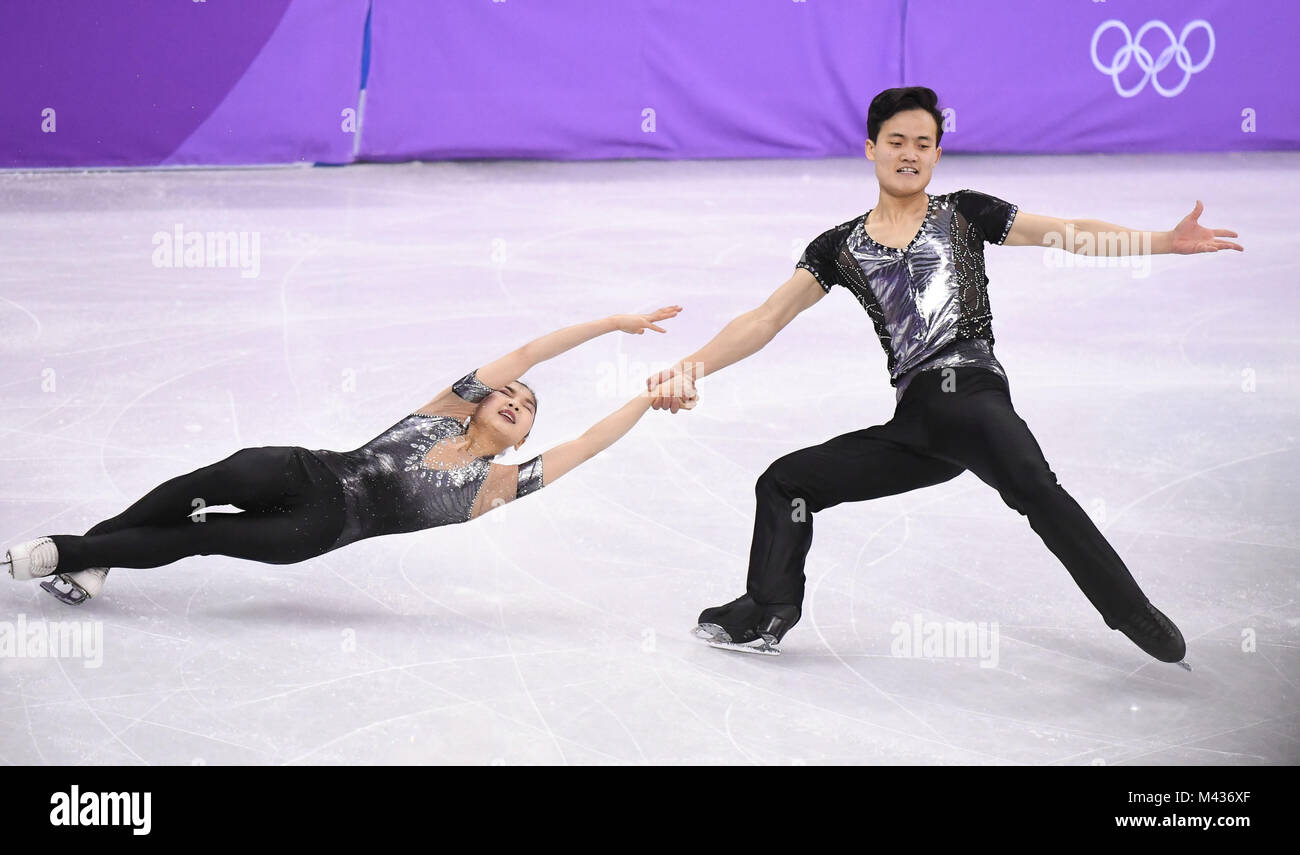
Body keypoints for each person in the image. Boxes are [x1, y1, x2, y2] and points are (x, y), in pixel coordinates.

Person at [647, 86, 1242, 665]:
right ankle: (769, 606)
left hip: (973, 398)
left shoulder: (963, 212)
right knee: (787, 484)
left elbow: (1064, 232)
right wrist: (689, 368)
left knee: (1036, 490)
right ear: (871, 149)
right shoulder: (839, 247)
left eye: (923, 143)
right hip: (920, 429)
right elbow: (766, 317)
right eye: (896, 141)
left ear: (937, 153)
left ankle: (1132, 611)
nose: (909, 153)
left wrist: (1164, 241)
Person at [5, 306, 695, 604]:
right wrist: (612, 323)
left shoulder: (498, 485)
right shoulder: (441, 409)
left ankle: (65, 553)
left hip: (315, 530)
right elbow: (528, 352)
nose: (516, 399)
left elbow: (588, 443)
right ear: (479, 403)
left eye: (529, 407)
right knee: (198, 483)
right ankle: (88, 550)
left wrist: (646, 398)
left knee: (198, 533)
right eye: (506, 394)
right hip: (303, 469)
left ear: (521, 435)